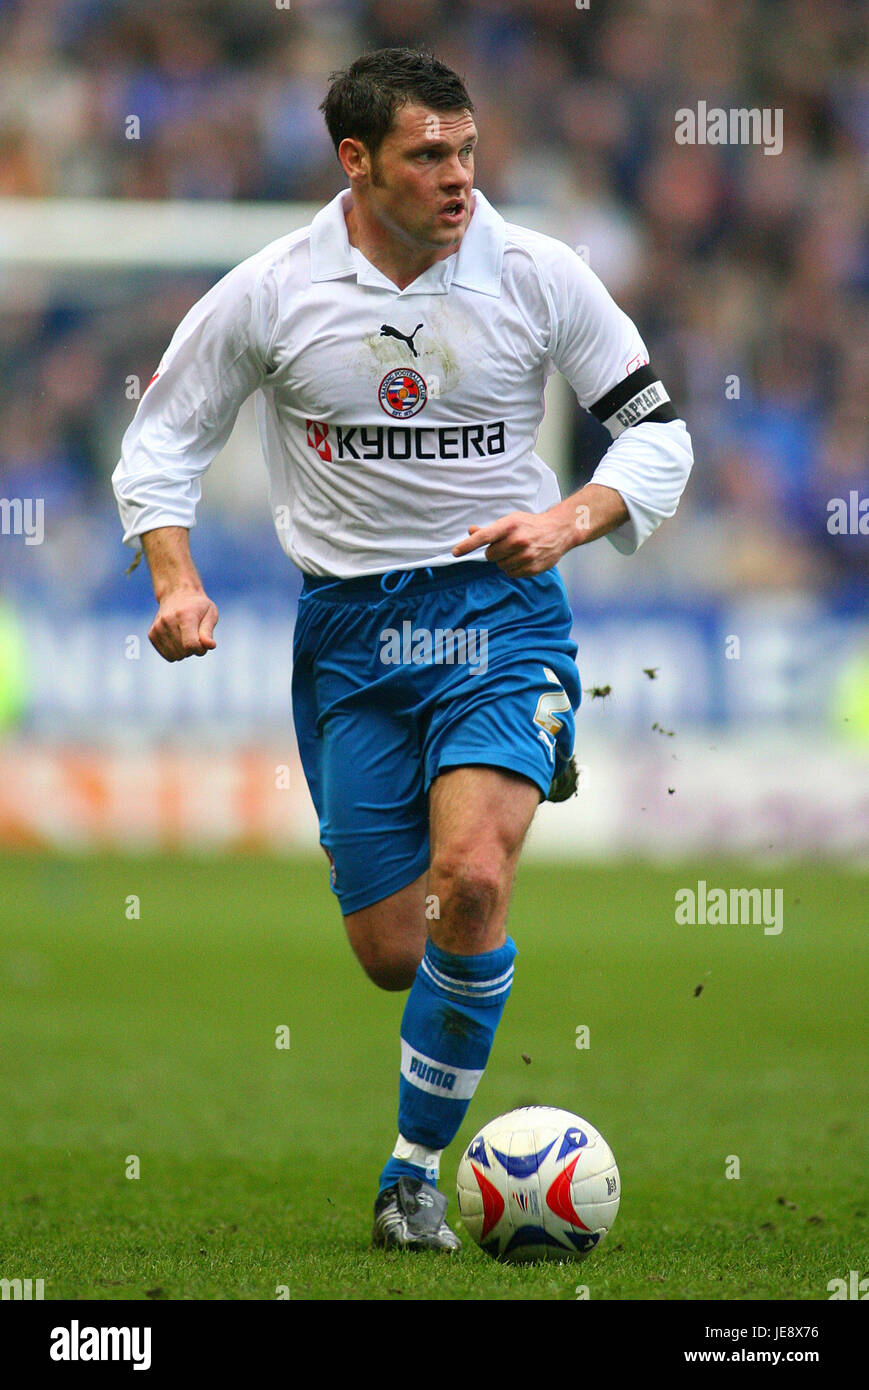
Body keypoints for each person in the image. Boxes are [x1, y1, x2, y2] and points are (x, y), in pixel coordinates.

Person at [112, 47, 693, 1253]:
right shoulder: (269, 293)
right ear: (355, 161)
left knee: (472, 878)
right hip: (350, 634)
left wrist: (568, 516)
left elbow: (657, 439)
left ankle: (409, 1176)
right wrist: (176, 581)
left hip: (498, 610)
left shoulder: (539, 272)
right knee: (395, 949)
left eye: (467, 151)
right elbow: (159, 446)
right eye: (427, 155)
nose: (457, 178)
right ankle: (500, 772)